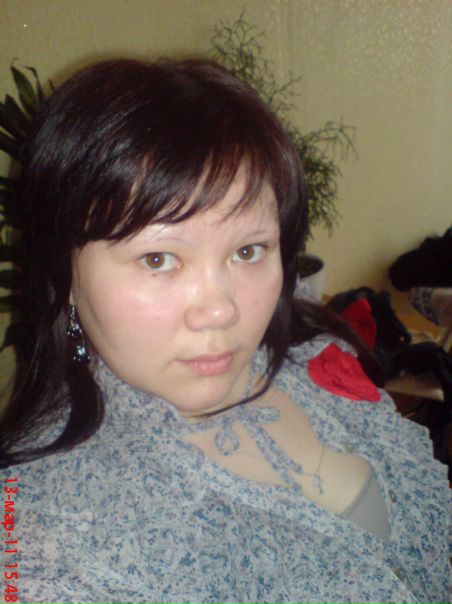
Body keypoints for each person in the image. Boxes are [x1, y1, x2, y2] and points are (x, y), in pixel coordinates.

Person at [0, 58, 450, 604]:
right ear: (65, 271)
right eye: (158, 258)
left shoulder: (316, 355)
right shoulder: (44, 537)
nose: (220, 311)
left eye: (248, 250)